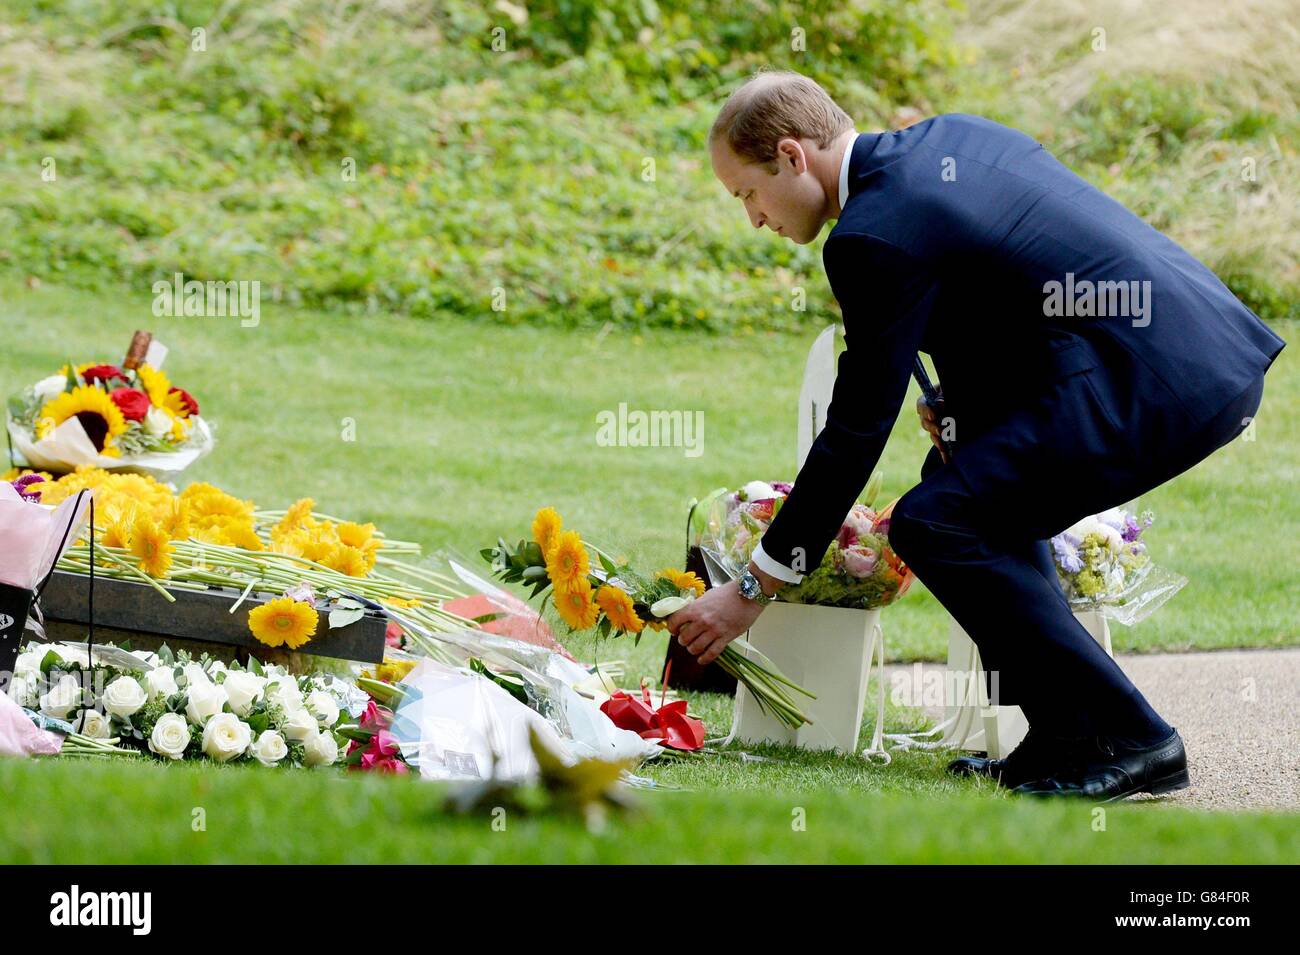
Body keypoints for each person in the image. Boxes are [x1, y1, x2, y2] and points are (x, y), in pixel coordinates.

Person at [665, 70, 1285, 801]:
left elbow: (858, 424)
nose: (754, 218)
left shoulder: (869, 235)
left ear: (793, 156)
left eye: (748, 193)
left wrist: (755, 584)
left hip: (1156, 377)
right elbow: (1013, 276)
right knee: (961, 480)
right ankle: (1066, 731)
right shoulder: (950, 141)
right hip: (1193, 351)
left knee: (935, 520)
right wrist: (965, 406)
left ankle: (1134, 735)